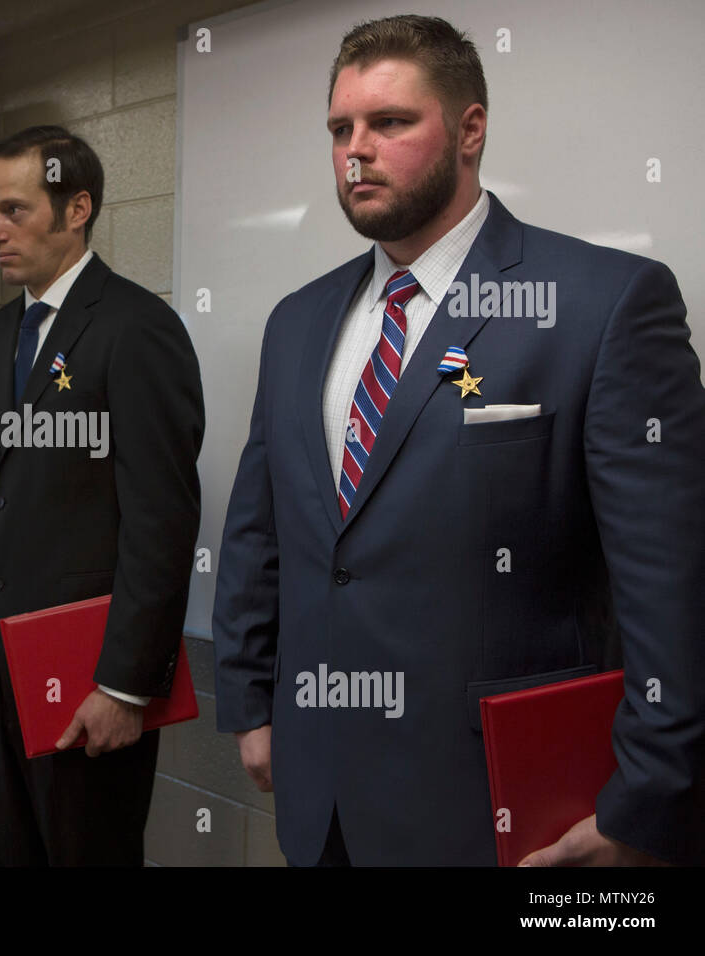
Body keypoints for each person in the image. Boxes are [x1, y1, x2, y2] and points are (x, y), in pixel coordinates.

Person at [212, 14, 705, 866]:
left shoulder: (603, 303)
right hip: (319, 790)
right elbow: (263, 531)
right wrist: (249, 700)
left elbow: (672, 579)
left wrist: (649, 804)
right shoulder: (298, 322)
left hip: (502, 805)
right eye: (340, 130)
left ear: (470, 129)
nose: (356, 151)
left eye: (390, 123)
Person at [0, 126, 205, 866]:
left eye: (14, 211)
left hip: (87, 677)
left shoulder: (138, 329)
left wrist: (125, 685)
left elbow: (163, 523)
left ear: (77, 207)